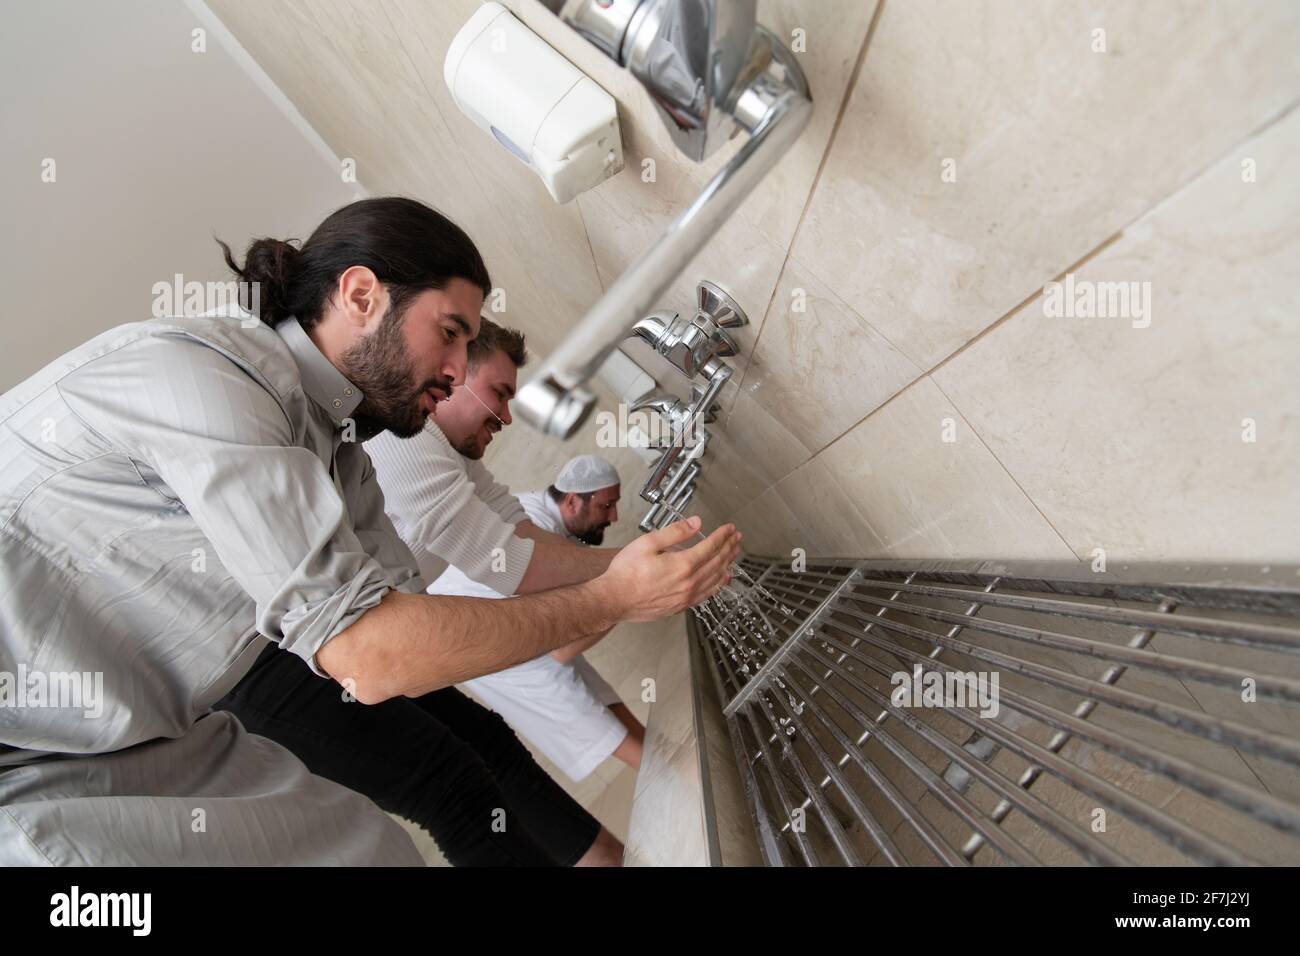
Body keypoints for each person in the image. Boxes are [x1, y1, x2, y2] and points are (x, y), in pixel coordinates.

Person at [0, 196, 740, 866]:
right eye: (451, 335)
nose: (457, 370)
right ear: (360, 294)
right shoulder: (207, 382)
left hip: (141, 729)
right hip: (23, 737)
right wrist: (614, 596)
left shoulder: (340, 451)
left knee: (375, 852)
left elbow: (410, 618)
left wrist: (618, 585)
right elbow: (374, 654)